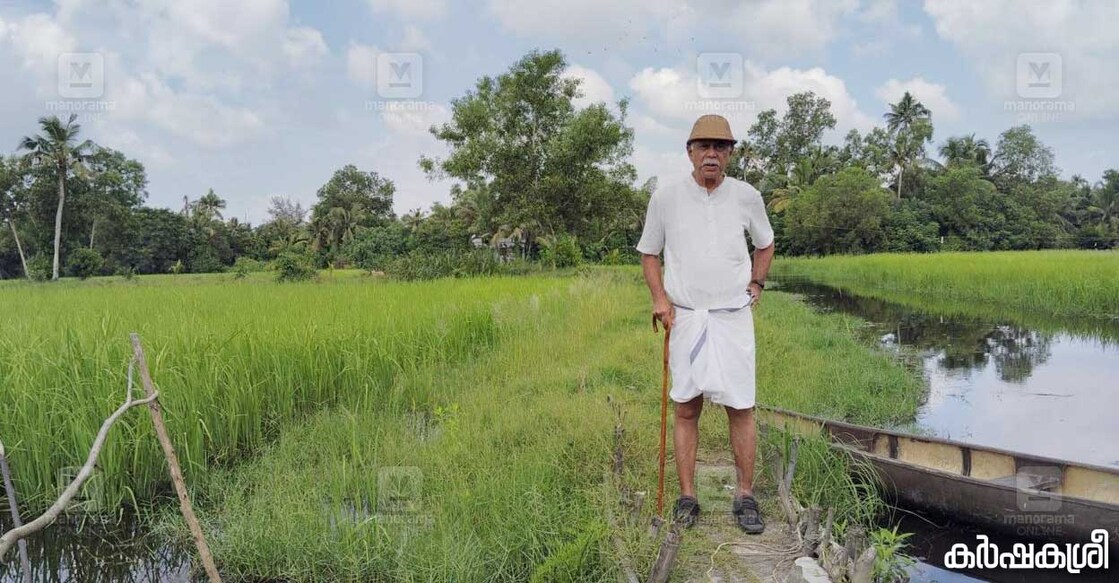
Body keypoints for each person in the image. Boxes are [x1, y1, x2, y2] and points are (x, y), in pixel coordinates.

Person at [636, 114, 775, 534]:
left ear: (730, 154)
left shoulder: (747, 196)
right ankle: (687, 497)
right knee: (687, 407)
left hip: (732, 318)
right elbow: (649, 254)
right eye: (704, 146)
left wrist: (756, 282)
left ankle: (745, 496)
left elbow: (765, 244)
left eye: (721, 147)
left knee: (741, 407)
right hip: (687, 317)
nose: (711, 154)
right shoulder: (666, 199)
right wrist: (660, 300)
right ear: (690, 152)